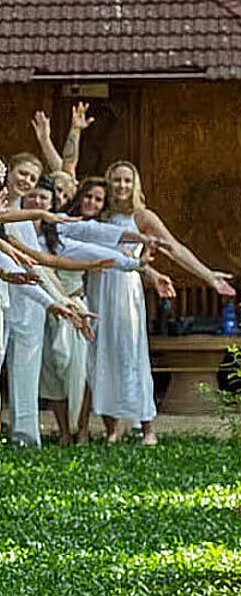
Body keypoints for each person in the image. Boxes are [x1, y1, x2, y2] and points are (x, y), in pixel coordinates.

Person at [88, 160, 234, 444]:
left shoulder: (142, 216)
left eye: (127, 180)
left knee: (131, 354)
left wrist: (209, 276)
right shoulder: (99, 213)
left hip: (125, 291)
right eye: (116, 180)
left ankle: (147, 428)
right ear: (108, 182)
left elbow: (174, 248)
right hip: (98, 289)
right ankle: (112, 428)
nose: (121, 185)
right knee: (102, 355)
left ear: (135, 184)